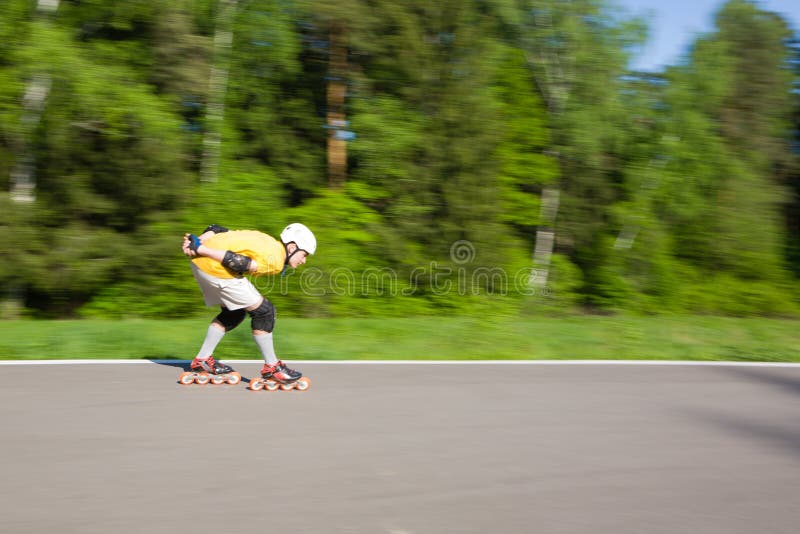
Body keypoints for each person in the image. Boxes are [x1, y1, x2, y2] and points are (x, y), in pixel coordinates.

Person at [181, 223, 316, 384]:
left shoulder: (266, 239)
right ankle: (272, 368)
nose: (304, 260)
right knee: (265, 312)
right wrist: (201, 249)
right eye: (304, 254)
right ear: (292, 247)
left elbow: (217, 229)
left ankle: (202, 360)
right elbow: (238, 262)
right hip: (216, 268)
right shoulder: (276, 260)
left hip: (199, 265)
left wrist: (198, 242)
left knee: (234, 312)